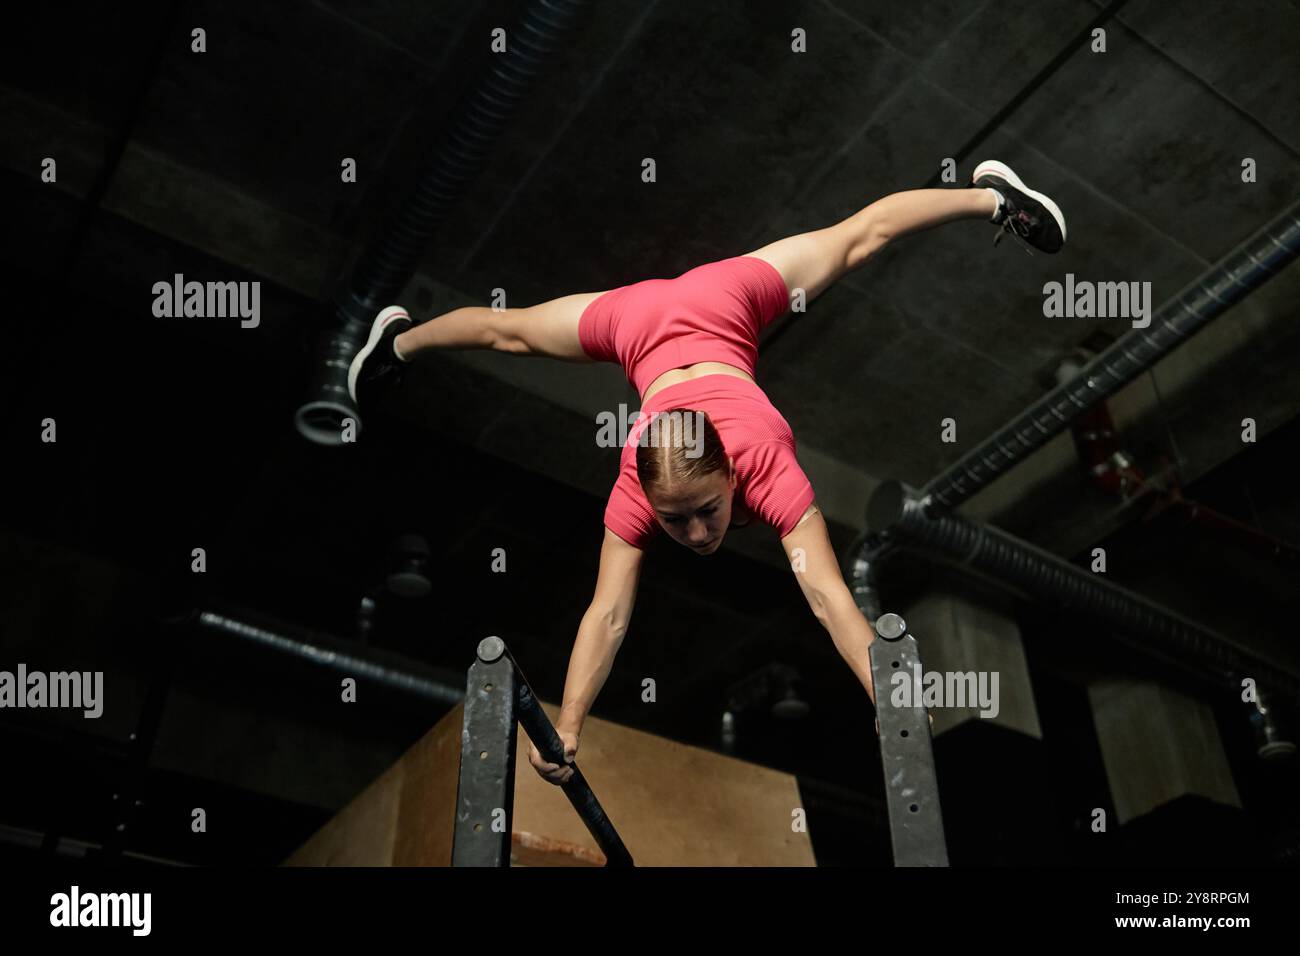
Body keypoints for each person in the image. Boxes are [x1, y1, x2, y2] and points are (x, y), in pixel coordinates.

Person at [347, 161, 1066, 784]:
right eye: (675, 519)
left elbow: (824, 594)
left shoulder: (765, 465)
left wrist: (886, 692)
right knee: (509, 329)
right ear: (649, 497)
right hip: (640, 322)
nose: (692, 532)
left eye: (705, 511)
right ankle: (397, 344)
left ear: (732, 474)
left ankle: (994, 196)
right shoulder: (636, 483)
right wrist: (568, 725)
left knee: (858, 238)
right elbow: (609, 612)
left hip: (724, 302)